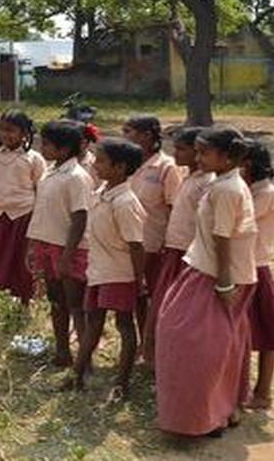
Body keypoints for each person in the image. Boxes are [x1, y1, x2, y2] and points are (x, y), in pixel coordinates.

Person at [155, 128, 258, 438]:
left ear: (227, 157)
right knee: (218, 346)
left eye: (204, 153)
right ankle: (221, 409)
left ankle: (206, 415)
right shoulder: (219, 183)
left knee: (197, 347)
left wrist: (224, 284)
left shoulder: (226, 189)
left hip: (217, 275)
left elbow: (222, 237)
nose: (197, 158)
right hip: (206, 269)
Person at [69, 138, 147, 398]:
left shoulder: (126, 202)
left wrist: (139, 279)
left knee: (124, 325)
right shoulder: (100, 193)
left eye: (101, 161)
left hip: (120, 273)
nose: (95, 165)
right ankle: (76, 374)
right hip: (99, 270)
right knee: (93, 322)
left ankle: (122, 383)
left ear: (120, 167)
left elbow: (136, 245)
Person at [26, 120, 95, 367]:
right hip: (47, 243)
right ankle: (63, 351)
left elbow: (80, 216)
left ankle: (84, 360)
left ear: (64, 150)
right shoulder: (49, 171)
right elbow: (42, 210)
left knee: (76, 304)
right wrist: (32, 244)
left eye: (46, 144)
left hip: (68, 248)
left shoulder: (76, 177)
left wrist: (68, 254)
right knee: (56, 301)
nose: (41, 148)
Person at [144, 127, 212, 368]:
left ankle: (174, 361)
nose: (175, 153)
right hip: (174, 249)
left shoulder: (207, 183)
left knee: (179, 310)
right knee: (162, 304)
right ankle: (156, 358)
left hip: (189, 253)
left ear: (199, 152)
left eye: (181, 149)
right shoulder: (189, 177)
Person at [122, 115, 184, 364]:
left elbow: (173, 207)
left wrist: (167, 244)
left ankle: (158, 347)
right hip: (129, 241)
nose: (126, 136)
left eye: (130, 131)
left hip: (155, 242)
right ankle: (144, 342)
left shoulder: (166, 167)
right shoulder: (127, 163)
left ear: (147, 135)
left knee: (158, 296)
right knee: (137, 294)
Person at [0, 110, 47, 305]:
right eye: (1, 130)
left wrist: (38, 221)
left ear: (24, 134)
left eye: (11, 130)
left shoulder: (33, 159)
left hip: (22, 215)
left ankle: (23, 300)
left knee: (19, 261)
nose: (5, 135)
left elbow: (41, 190)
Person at [240, 140, 274, 410]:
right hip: (243, 266)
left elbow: (241, 221)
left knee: (267, 332)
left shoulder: (266, 193)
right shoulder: (250, 190)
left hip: (256, 266)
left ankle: (263, 391)